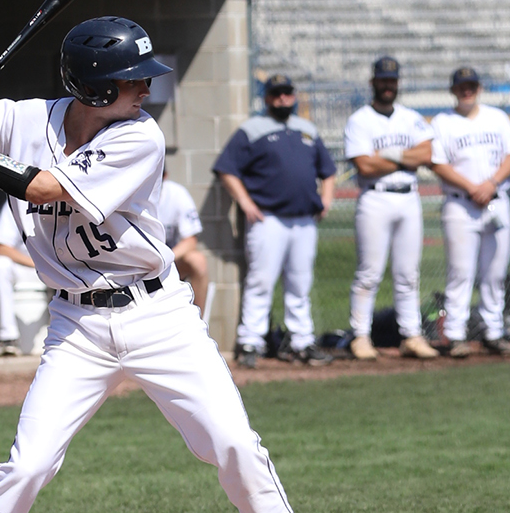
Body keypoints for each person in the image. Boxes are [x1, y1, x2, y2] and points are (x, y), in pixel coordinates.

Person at [0, 15, 362, 513]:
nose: (145, 89)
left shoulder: (139, 138)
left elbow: (48, 189)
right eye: (131, 81)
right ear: (93, 87)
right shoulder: (18, 118)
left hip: (159, 316)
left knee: (232, 443)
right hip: (76, 322)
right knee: (28, 463)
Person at [214, 73, 336, 368]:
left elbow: (328, 170)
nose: (283, 98)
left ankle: (301, 341)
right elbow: (226, 169)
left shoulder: (306, 129)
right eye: (276, 93)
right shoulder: (252, 129)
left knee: (300, 283)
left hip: (304, 220)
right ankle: (251, 341)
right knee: (261, 281)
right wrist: (244, 201)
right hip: (269, 219)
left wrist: (327, 199)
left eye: (287, 93)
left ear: (294, 96)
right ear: (267, 98)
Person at [344, 56, 436, 361]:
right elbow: (365, 165)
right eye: (383, 80)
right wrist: (404, 156)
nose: (388, 85)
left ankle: (411, 334)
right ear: (373, 83)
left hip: (408, 197)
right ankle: (360, 336)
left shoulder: (410, 117)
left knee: (408, 272)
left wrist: (390, 153)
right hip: (375, 197)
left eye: (392, 80)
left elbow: (426, 152)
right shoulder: (360, 119)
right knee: (369, 272)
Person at [430, 66, 510, 357]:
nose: (466, 91)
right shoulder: (443, 122)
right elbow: (438, 163)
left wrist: (492, 183)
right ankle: (456, 334)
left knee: (495, 272)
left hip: (496, 200)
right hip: (461, 203)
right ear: (453, 90)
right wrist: (473, 187)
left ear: (479, 88)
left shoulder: (496, 117)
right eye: (461, 86)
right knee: (461, 272)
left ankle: (492, 331)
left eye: (471, 85)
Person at [0, 205, 34, 357]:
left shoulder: (68, 196)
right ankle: (8, 338)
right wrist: (40, 265)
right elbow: (1, 247)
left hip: (62, 269)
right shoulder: (20, 199)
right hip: (29, 266)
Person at [155, 168, 208, 310]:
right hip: (139, 265)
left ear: (164, 176)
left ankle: (198, 321)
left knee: (198, 260)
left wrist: (165, 259)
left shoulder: (176, 194)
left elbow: (190, 241)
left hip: (169, 261)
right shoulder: (129, 195)